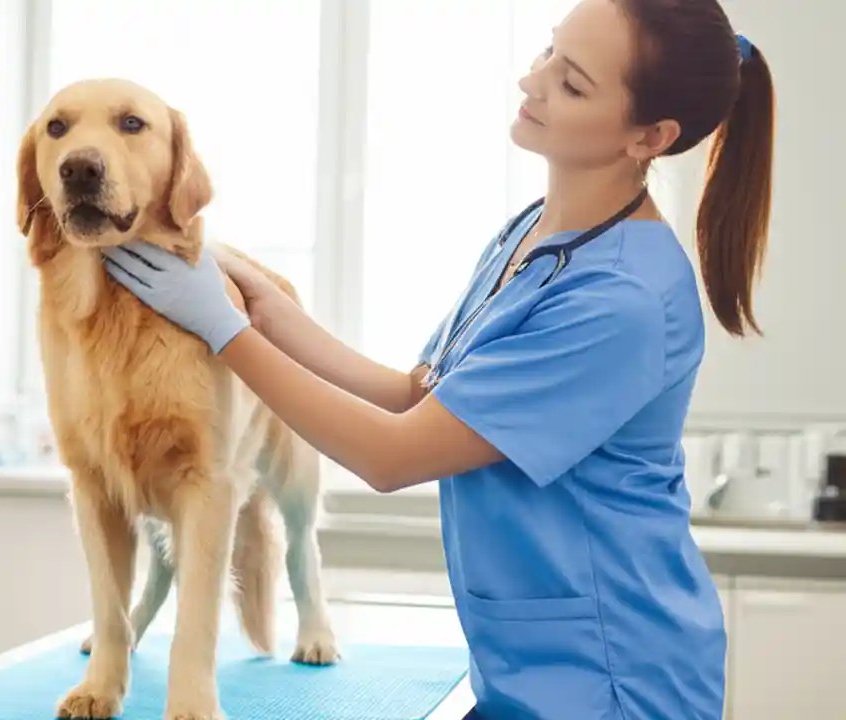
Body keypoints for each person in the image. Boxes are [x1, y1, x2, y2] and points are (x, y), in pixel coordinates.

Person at [101, 0, 774, 717]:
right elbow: (419, 396)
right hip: (530, 672)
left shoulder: (622, 299)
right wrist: (273, 316)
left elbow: (395, 456)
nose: (530, 82)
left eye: (571, 83)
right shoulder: (537, 233)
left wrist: (223, 334)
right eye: (548, 52)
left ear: (651, 135)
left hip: (616, 680)